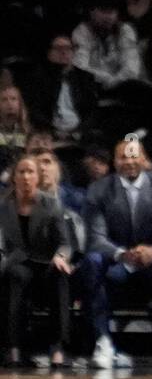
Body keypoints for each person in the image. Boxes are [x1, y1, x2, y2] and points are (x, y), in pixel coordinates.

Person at [78, 137, 152, 370]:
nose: (129, 161)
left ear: (144, 159)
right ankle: (102, 342)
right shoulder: (98, 190)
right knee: (91, 262)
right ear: (114, 162)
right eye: (123, 156)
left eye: (134, 156)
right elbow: (95, 239)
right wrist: (122, 254)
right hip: (116, 267)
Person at [0, 155, 73, 367]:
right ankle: (14, 347)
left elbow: (64, 243)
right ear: (13, 177)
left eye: (30, 172)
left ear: (37, 177)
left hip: (46, 263)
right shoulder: (3, 205)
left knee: (60, 275)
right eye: (21, 172)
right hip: (17, 263)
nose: (25, 176)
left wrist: (60, 257)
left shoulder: (51, 204)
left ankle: (58, 347)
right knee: (16, 275)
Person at [24, 33, 98, 143]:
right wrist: (53, 131)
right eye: (58, 48)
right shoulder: (37, 79)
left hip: (81, 134)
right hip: (48, 133)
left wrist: (79, 131)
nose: (64, 52)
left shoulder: (85, 78)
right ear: (49, 53)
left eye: (68, 48)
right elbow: (35, 111)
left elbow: (92, 111)